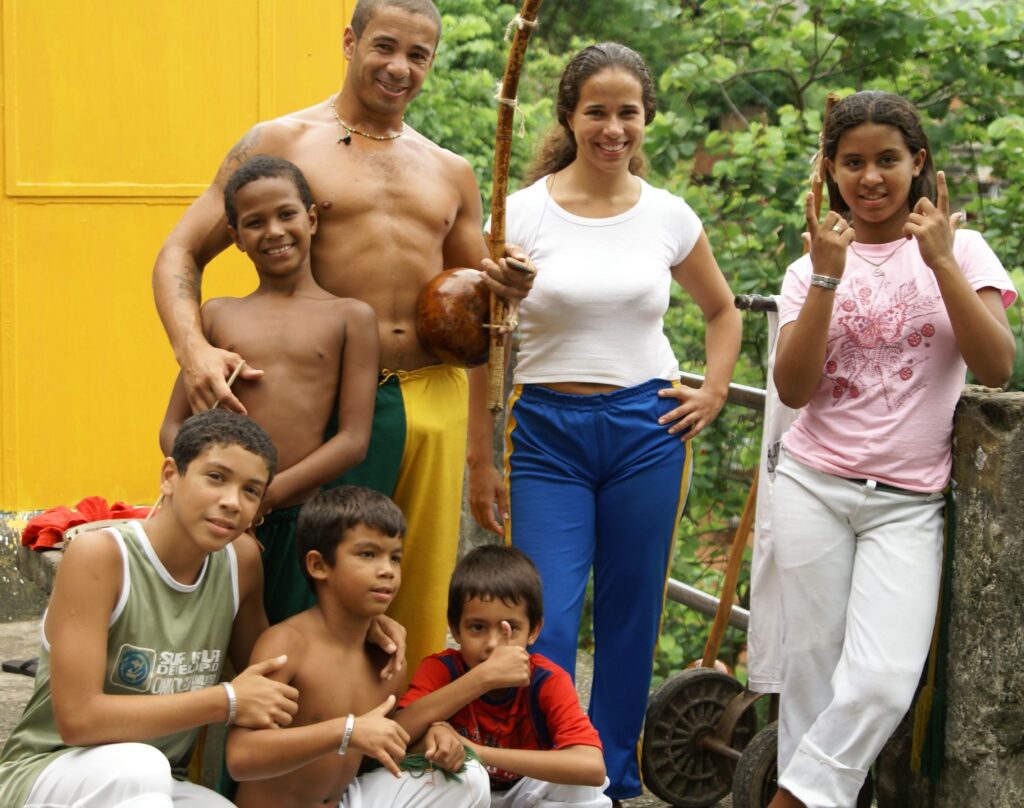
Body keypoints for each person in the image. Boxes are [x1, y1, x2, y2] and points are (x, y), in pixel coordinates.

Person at [153, 0, 534, 673]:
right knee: (316, 580)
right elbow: (179, 253)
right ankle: (278, 739)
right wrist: (195, 350)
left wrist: (483, 456)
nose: (399, 67)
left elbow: (482, 323)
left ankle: (390, 742)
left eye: (418, 55)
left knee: (408, 583)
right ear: (349, 40)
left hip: (435, 395)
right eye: (385, 47)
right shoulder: (279, 142)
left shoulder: (450, 170)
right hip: (334, 401)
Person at [466, 42, 742, 802]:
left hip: (647, 429)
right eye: (597, 111)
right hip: (545, 432)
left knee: (631, 617)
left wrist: (713, 391)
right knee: (542, 619)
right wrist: (479, 459)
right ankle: (537, 775)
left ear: (647, 118)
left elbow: (721, 313)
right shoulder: (518, 215)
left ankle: (609, 782)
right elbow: (481, 342)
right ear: (569, 116)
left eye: (628, 112)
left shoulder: (668, 215)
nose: (612, 127)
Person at [767, 90, 1016, 808]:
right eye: (852, 163)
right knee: (813, 677)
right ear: (829, 172)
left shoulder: (963, 249)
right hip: (814, 485)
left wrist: (939, 262)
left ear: (919, 165)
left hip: (907, 503)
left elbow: (998, 367)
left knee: (879, 681)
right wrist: (824, 274)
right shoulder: (806, 266)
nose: (870, 177)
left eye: (887, 160)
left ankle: (790, 800)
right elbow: (793, 388)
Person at [0, 410, 302, 808]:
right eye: (216, 477)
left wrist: (359, 621)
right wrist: (225, 700)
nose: (232, 502)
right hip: (51, 772)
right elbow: (78, 720)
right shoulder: (103, 556)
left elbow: (266, 666)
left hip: (156, 784)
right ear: (169, 476)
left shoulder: (240, 561)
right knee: (141, 767)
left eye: (251, 490)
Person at [160, 155, 380, 628]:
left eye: (286, 214)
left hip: (297, 520)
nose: (274, 231)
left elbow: (352, 439)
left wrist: (265, 496)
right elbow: (173, 426)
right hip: (212, 519)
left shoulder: (352, 317)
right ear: (236, 239)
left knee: (284, 644)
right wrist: (210, 493)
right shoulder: (217, 315)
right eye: (254, 223)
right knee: (205, 640)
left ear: (312, 218)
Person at [226, 485, 489, 808]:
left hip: (346, 801)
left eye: (395, 558)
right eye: (368, 554)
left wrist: (433, 736)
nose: (387, 570)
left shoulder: (388, 656)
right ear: (319, 566)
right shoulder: (288, 644)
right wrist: (346, 731)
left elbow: (384, 741)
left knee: (466, 778)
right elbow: (240, 758)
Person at [396, 544, 610, 808]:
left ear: (534, 631)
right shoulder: (442, 669)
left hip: (524, 793)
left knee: (584, 789)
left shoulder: (546, 680)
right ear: (455, 628)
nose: (493, 644)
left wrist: (477, 752)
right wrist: (481, 679)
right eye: (477, 627)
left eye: (511, 628)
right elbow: (397, 735)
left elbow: (591, 767)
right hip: (461, 791)